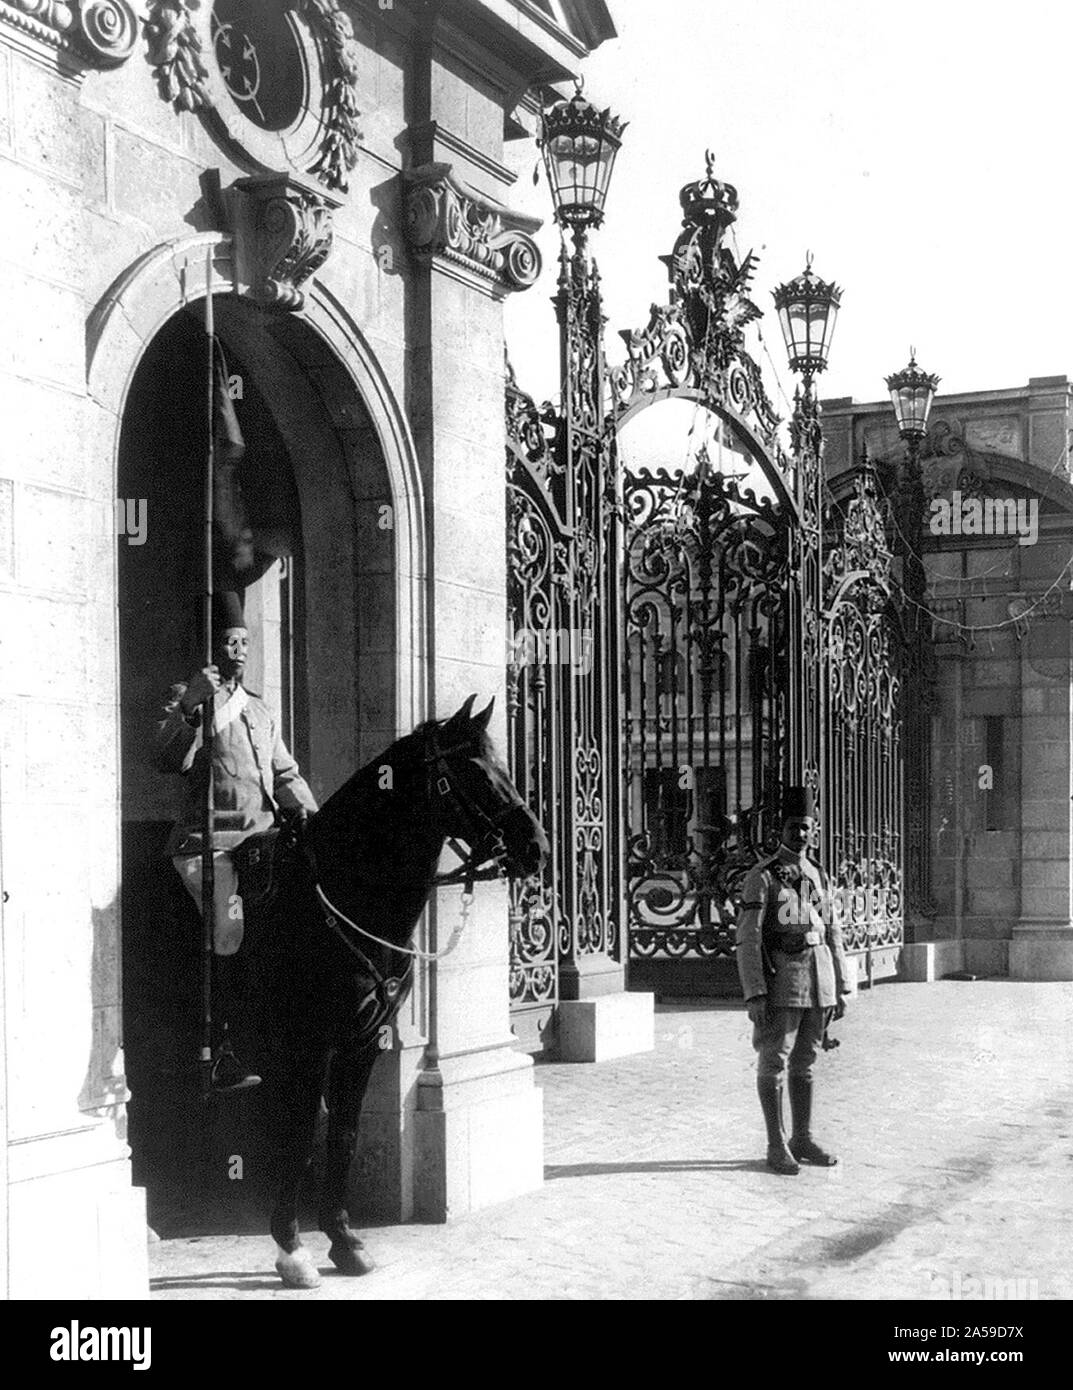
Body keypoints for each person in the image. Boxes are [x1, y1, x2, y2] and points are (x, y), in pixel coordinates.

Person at [154, 590, 318, 1092]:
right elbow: (165, 758)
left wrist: (315, 821)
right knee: (230, 932)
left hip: (260, 843)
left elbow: (285, 774)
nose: (241, 649)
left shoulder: (260, 710)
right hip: (208, 844)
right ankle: (221, 1051)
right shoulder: (192, 701)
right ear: (213, 648)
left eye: (246, 641)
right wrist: (189, 704)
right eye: (231, 640)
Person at [735, 786, 851, 1175]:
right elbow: (748, 938)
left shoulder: (818, 874)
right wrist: (755, 992)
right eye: (792, 827)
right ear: (779, 830)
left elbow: (833, 930)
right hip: (783, 980)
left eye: (805, 828)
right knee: (775, 1060)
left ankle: (802, 1138)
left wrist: (840, 983)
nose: (800, 835)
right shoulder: (763, 876)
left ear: (813, 830)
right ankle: (776, 1143)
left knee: (807, 1063)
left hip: (818, 980)